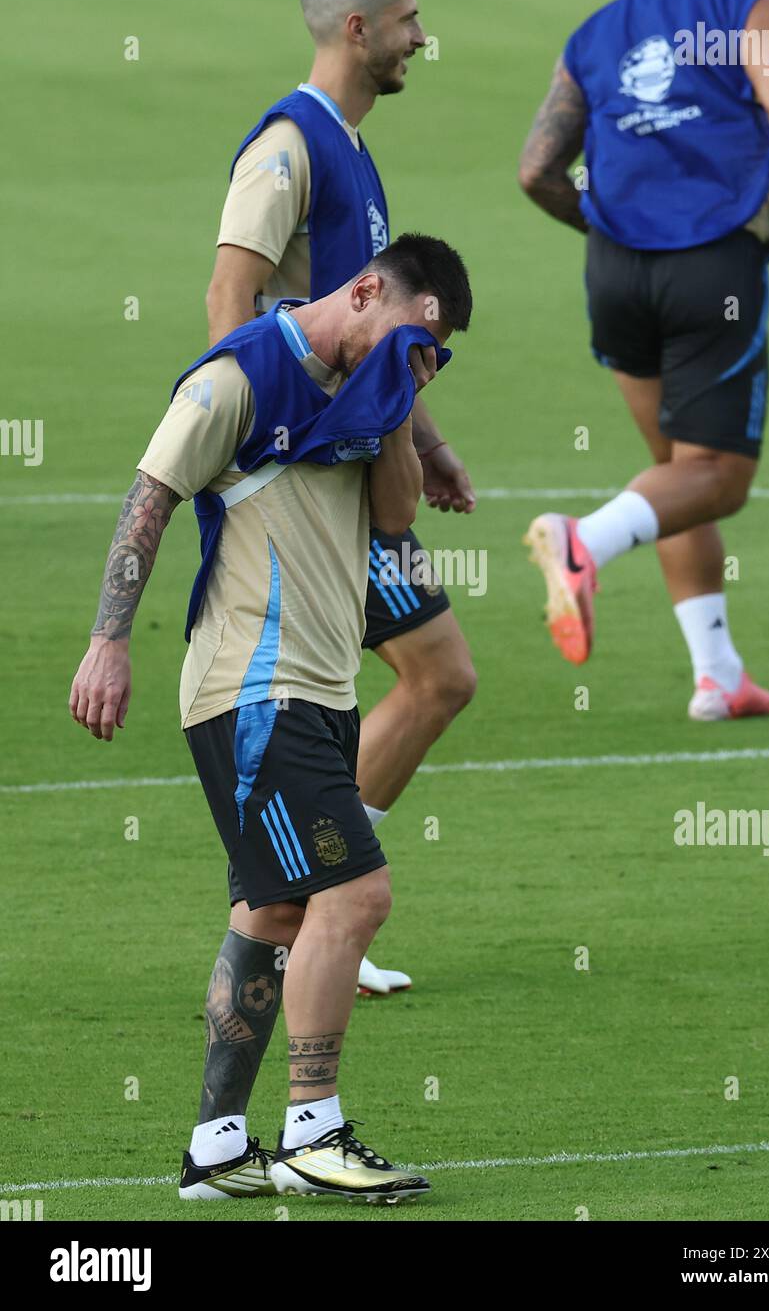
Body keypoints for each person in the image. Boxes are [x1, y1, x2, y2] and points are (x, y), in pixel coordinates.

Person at [68, 234, 473, 1202]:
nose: (418, 364)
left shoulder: (378, 393)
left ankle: (215, 1146)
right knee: (358, 895)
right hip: (252, 691)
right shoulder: (238, 376)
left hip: (324, 688)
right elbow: (150, 497)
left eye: (435, 355)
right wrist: (109, 641)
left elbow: (390, 522)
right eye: (414, 340)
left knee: (275, 909)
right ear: (366, 288)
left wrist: (401, 401)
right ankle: (313, 1130)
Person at [207, 0, 477, 987]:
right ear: (356, 28)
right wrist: (252, 448)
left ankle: (318, 895)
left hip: (360, 476)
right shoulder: (289, 147)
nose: (421, 35)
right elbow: (229, 300)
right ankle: (308, 903)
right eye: (408, 19)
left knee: (438, 675)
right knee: (430, 674)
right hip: (304, 489)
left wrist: (429, 440)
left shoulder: (350, 150)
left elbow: (379, 333)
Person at [519, 0, 769, 720]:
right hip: (712, 266)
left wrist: (616, 229)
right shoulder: (754, 7)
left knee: (676, 474)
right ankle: (584, 544)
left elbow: (537, 170)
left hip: (613, 269)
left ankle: (718, 675)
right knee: (717, 479)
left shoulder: (593, 31)